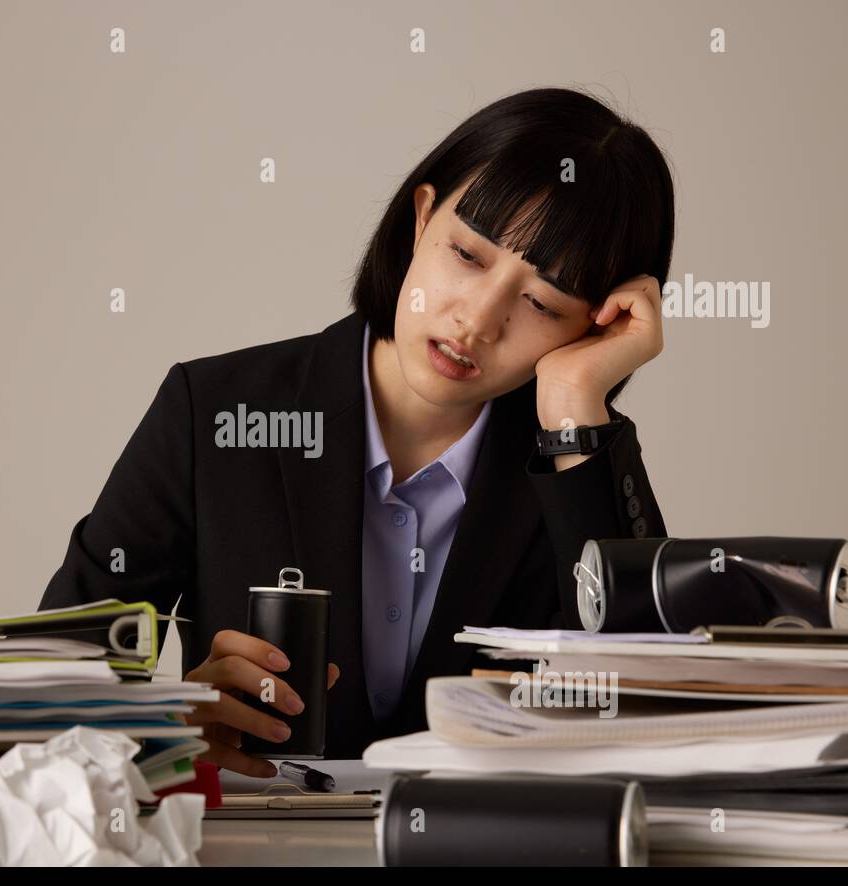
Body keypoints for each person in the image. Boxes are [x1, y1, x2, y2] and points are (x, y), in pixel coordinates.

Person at [41, 87, 674, 773]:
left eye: (542, 301)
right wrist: (167, 726)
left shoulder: (575, 466)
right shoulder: (215, 411)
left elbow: (654, 714)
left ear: (597, 322)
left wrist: (578, 402)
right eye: (467, 255)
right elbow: (50, 695)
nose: (478, 320)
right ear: (423, 217)